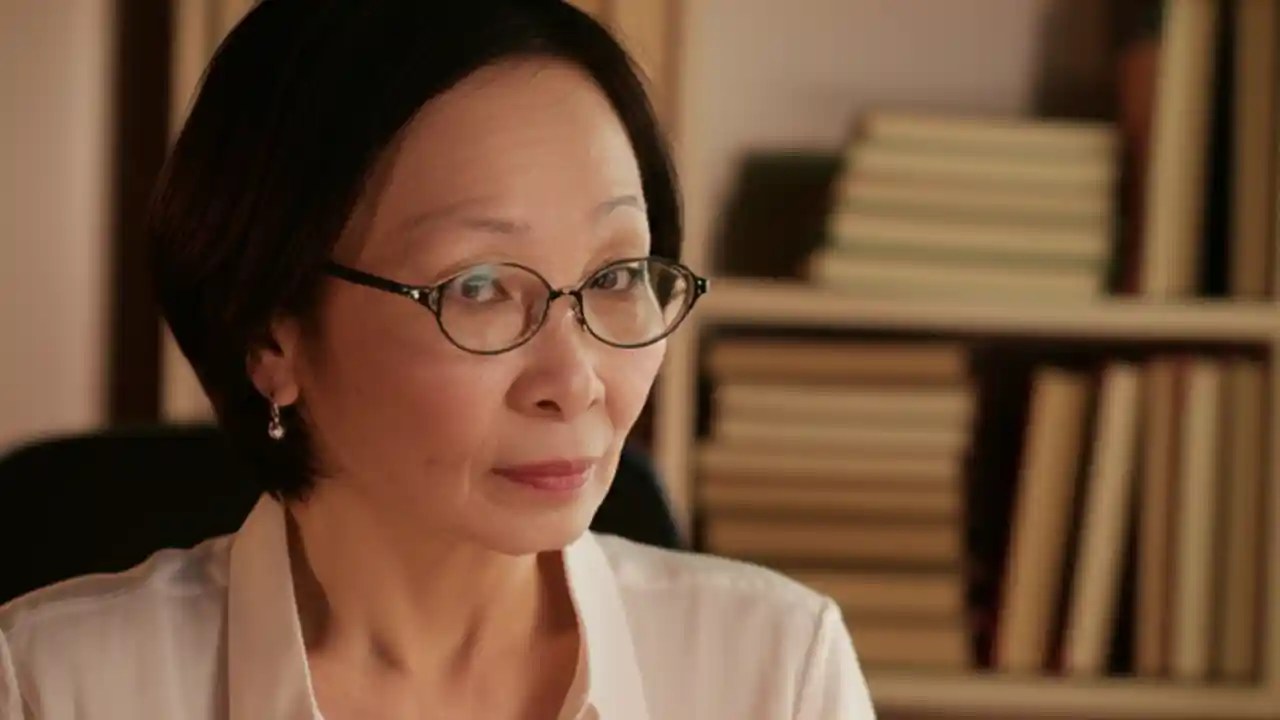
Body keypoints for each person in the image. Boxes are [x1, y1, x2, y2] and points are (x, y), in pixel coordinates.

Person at [0, 2, 875, 718]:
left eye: (616, 275)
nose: (575, 382)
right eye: (481, 287)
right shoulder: (51, 687)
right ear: (271, 336)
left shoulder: (775, 675)